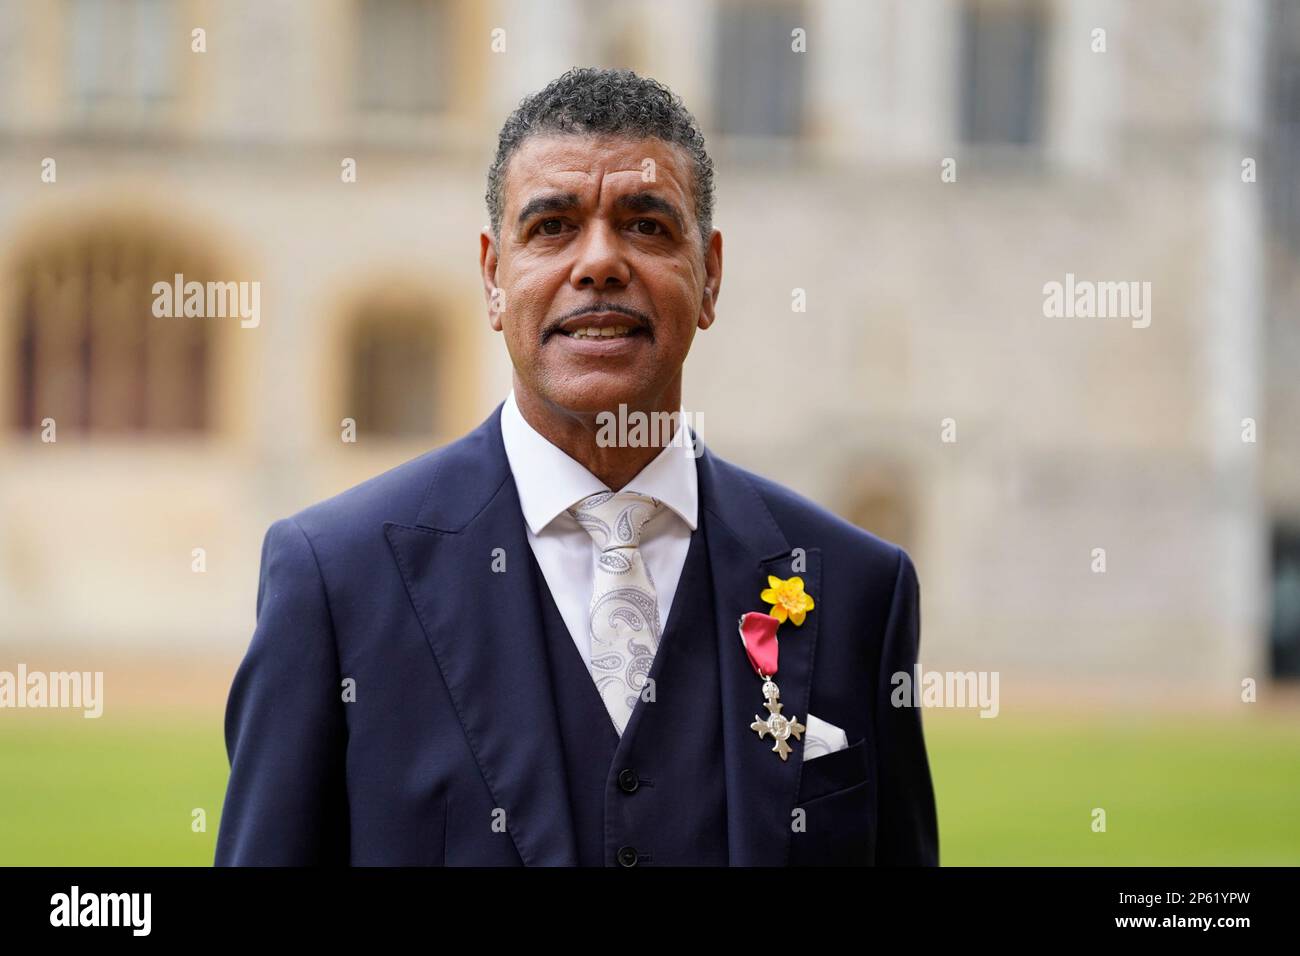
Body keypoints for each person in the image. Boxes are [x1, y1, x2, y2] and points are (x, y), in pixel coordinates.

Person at [215, 66, 938, 866]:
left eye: (647, 226)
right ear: (493, 277)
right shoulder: (336, 581)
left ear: (711, 276)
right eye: (553, 226)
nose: (599, 263)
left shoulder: (856, 590)